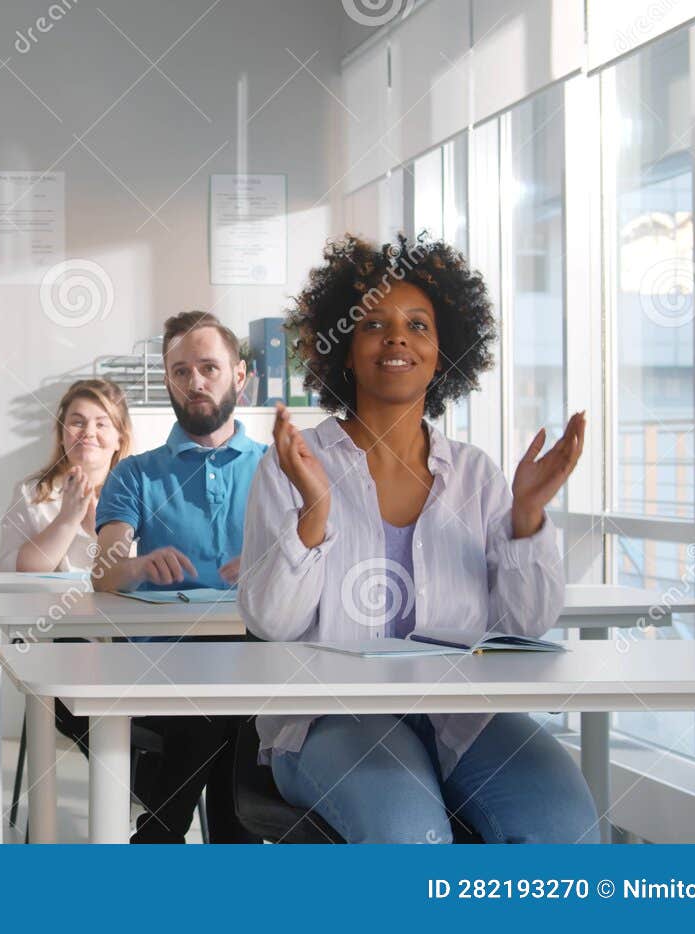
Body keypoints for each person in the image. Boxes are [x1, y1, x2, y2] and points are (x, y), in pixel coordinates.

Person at [239, 234, 595, 843]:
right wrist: (316, 510)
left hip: (463, 714)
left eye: (418, 325)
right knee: (410, 836)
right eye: (374, 323)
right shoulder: (292, 465)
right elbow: (272, 621)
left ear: (441, 353)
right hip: (331, 717)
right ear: (346, 353)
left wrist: (527, 515)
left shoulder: (477, 475)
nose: (397, 337)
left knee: (566, 825)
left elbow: (526, 624)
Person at [91, 310, 267, 843]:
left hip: (258, 667)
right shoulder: (136, 473)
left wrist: (273, 563)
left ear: (239, 376)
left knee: (229, 709)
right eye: (181, 371)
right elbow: (103, 572)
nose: (195, 382)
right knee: (215, 711)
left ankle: (159, 836)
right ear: (168, 380)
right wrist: (137, 566)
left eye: (209, 368)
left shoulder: (278, 467)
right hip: (163, 674)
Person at [0, 378, 133, 573]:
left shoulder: (138, 495)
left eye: (101, 424)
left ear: (120, 439)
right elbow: (8, 571)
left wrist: (104, 533)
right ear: (62, 435)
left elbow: (145, 574)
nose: (89, 432)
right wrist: (67, 519)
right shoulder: (31, 493)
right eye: (77, 422)